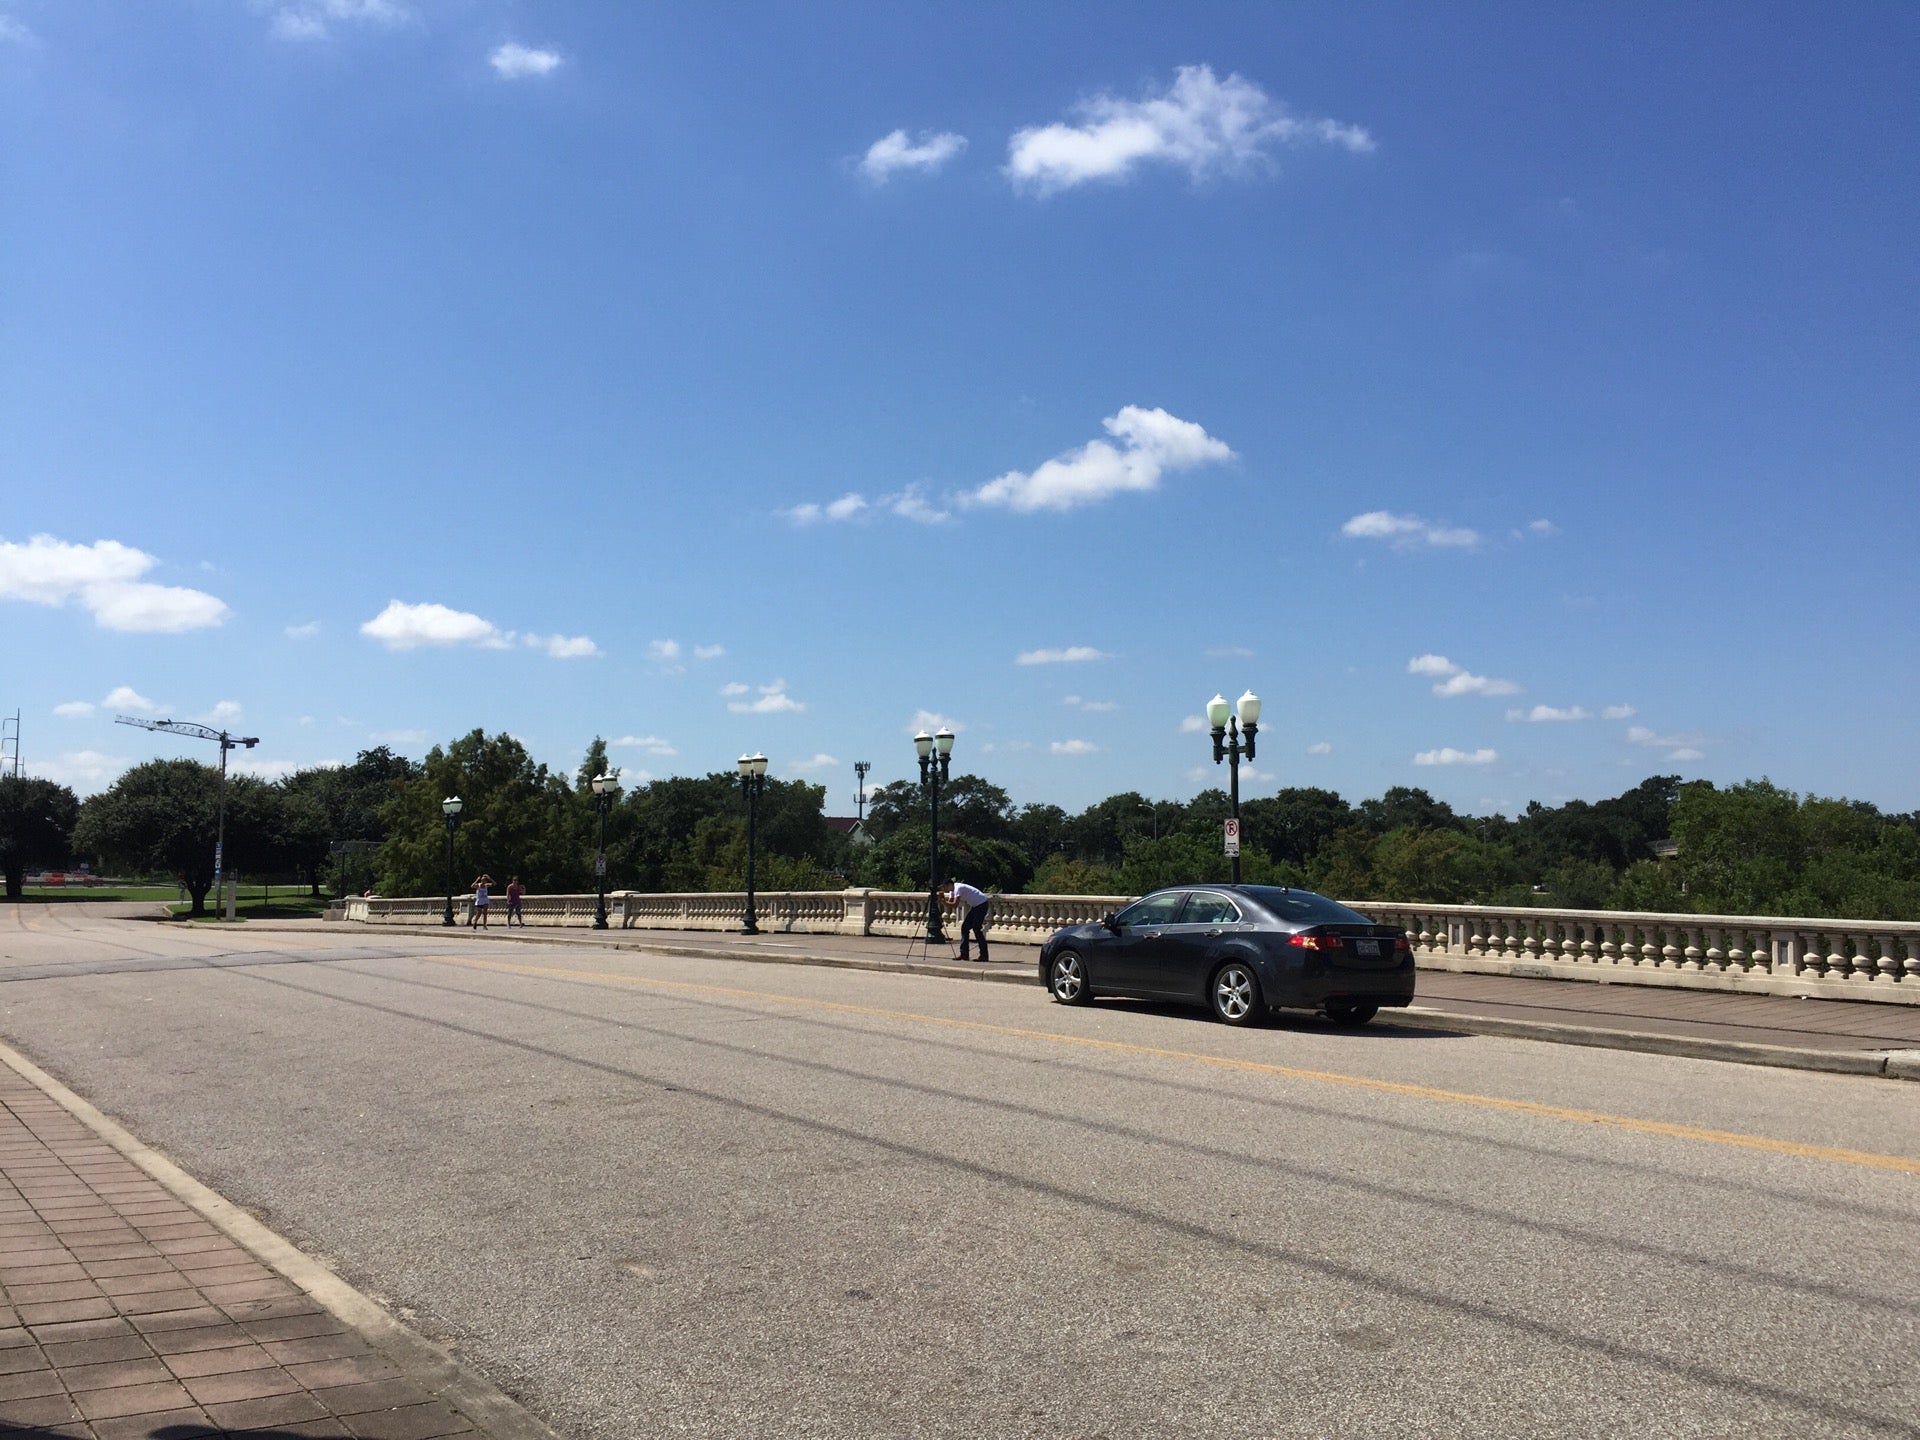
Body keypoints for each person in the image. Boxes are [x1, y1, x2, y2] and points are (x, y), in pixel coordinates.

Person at [944, 879, 991, 962]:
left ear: (949, 885)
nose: (945, 890)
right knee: (965, 928)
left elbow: (955, 904)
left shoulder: (958, 888)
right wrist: (942, 900)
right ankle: (964, 954)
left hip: (981, 904)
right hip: (975, 906)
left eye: (945, 887)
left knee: (976, 928)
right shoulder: (952, 890)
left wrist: (942, 901)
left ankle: (984, 955)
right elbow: (950, 904)